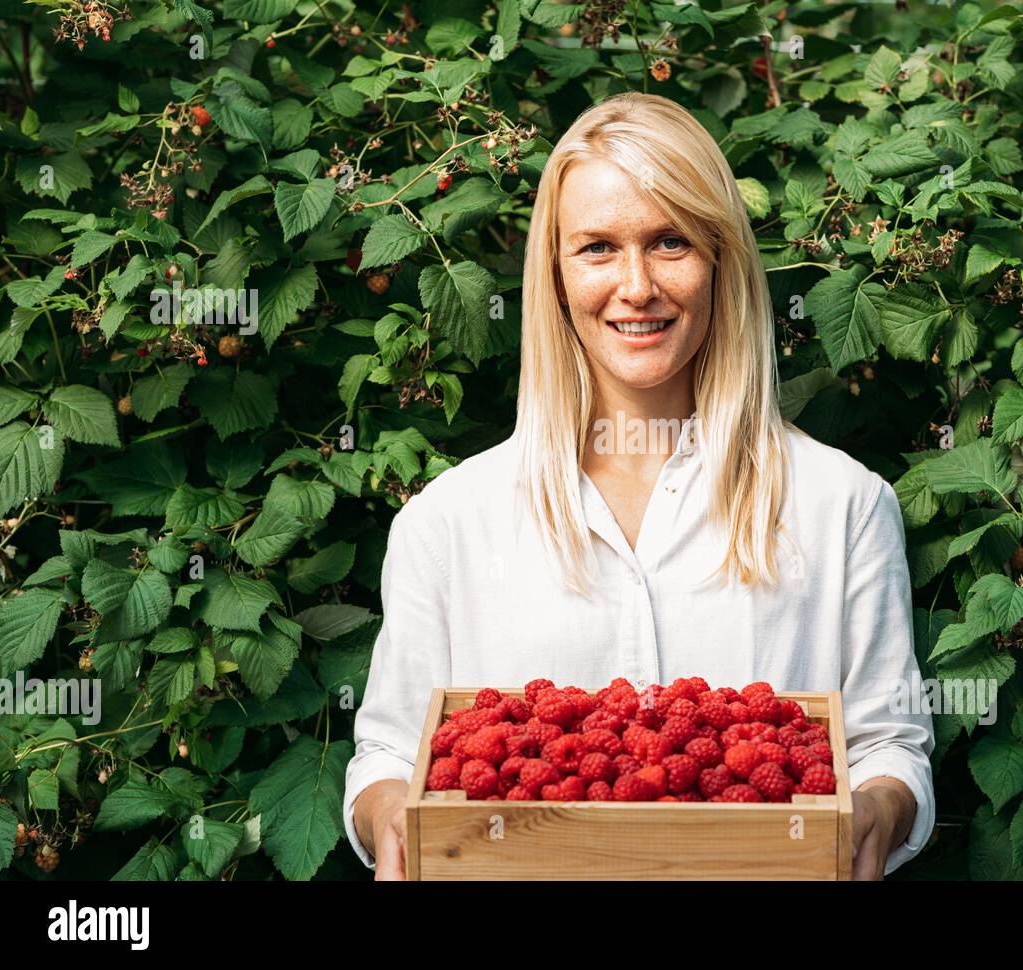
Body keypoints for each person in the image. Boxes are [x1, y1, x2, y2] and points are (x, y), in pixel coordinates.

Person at [345, 91, 935, 881]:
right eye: (596, 247)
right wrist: (392, 814)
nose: (636, 286)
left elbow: (887, 743)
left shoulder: (843, 505)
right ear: (554, 278)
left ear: (720, 258)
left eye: (669, 242)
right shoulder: (449, 524)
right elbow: (389, 750)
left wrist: (877, 808)